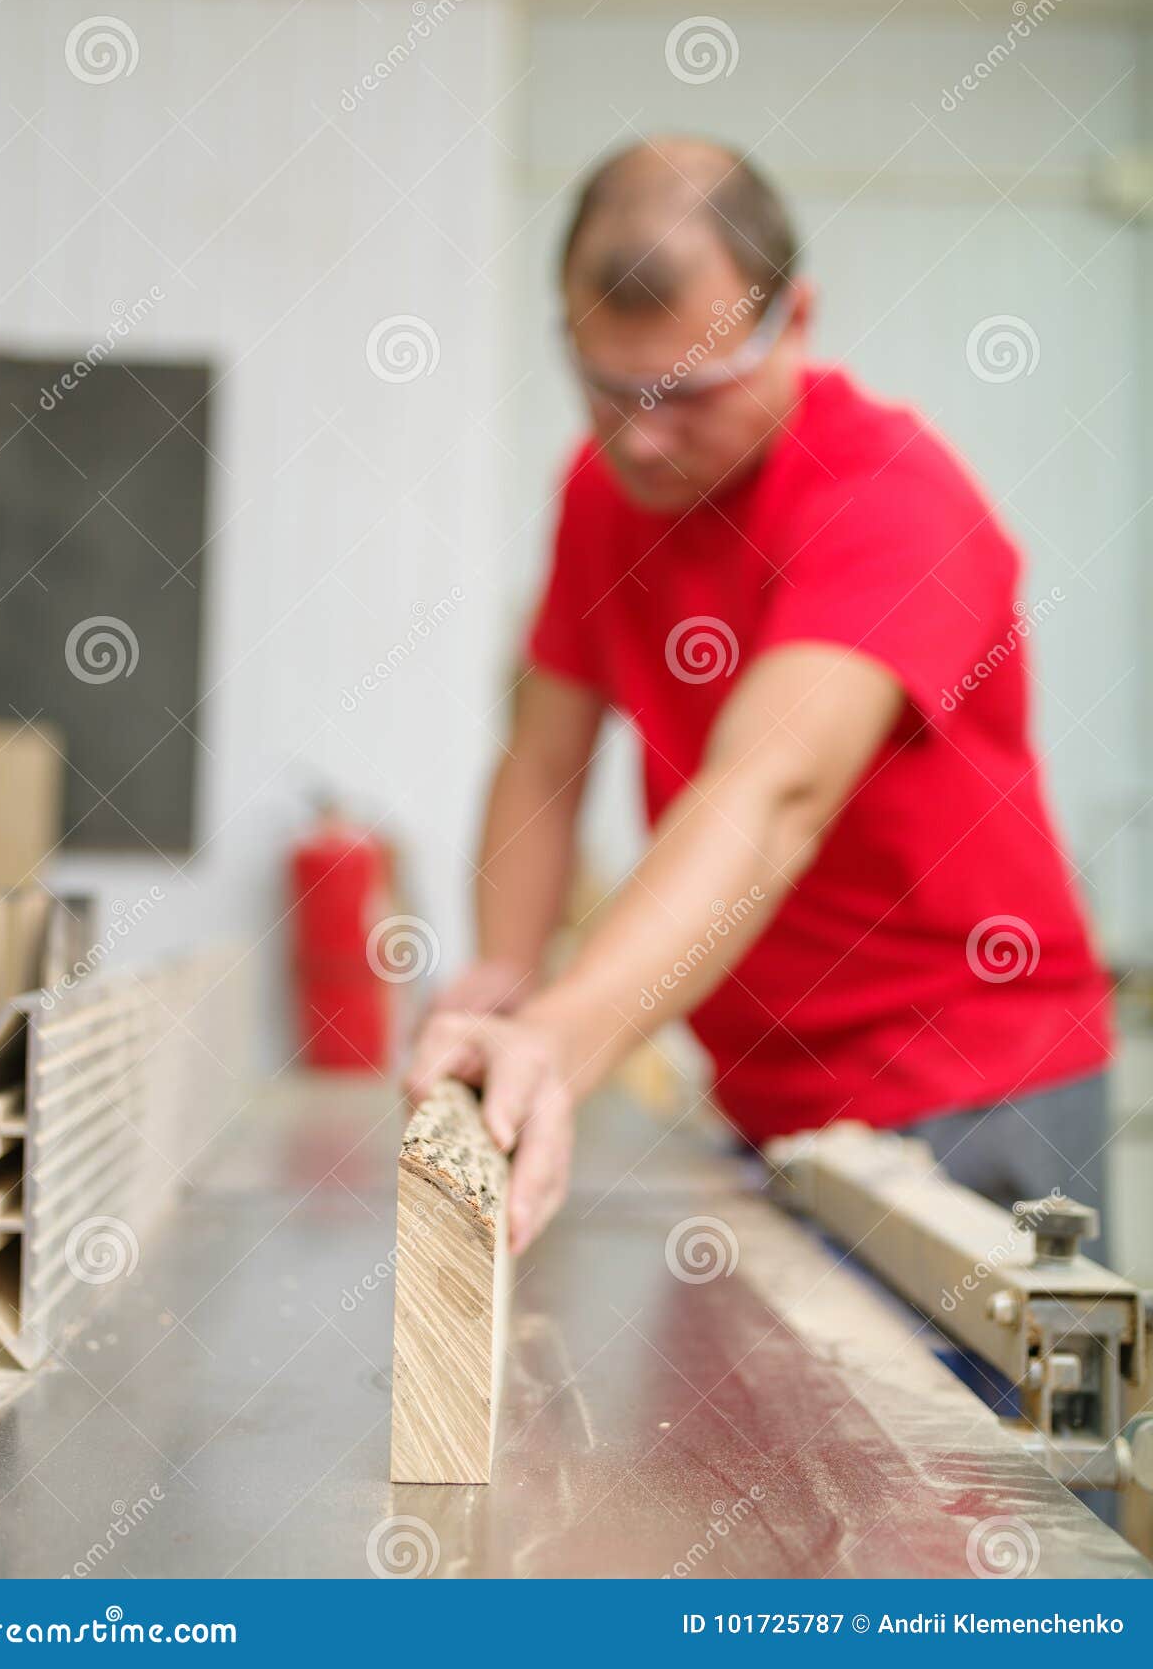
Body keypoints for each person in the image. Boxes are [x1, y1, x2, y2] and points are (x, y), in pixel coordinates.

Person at [405, 137, 1113, 1258]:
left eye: (687, 391)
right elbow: (543, 757)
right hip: (762, 1093)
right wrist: (506, 974)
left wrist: (563, 1033)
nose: (640, 436)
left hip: (972, 1086)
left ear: (796, 320)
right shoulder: (603, 495)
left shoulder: (892, 499)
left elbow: (772, 790)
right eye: (606, 385)